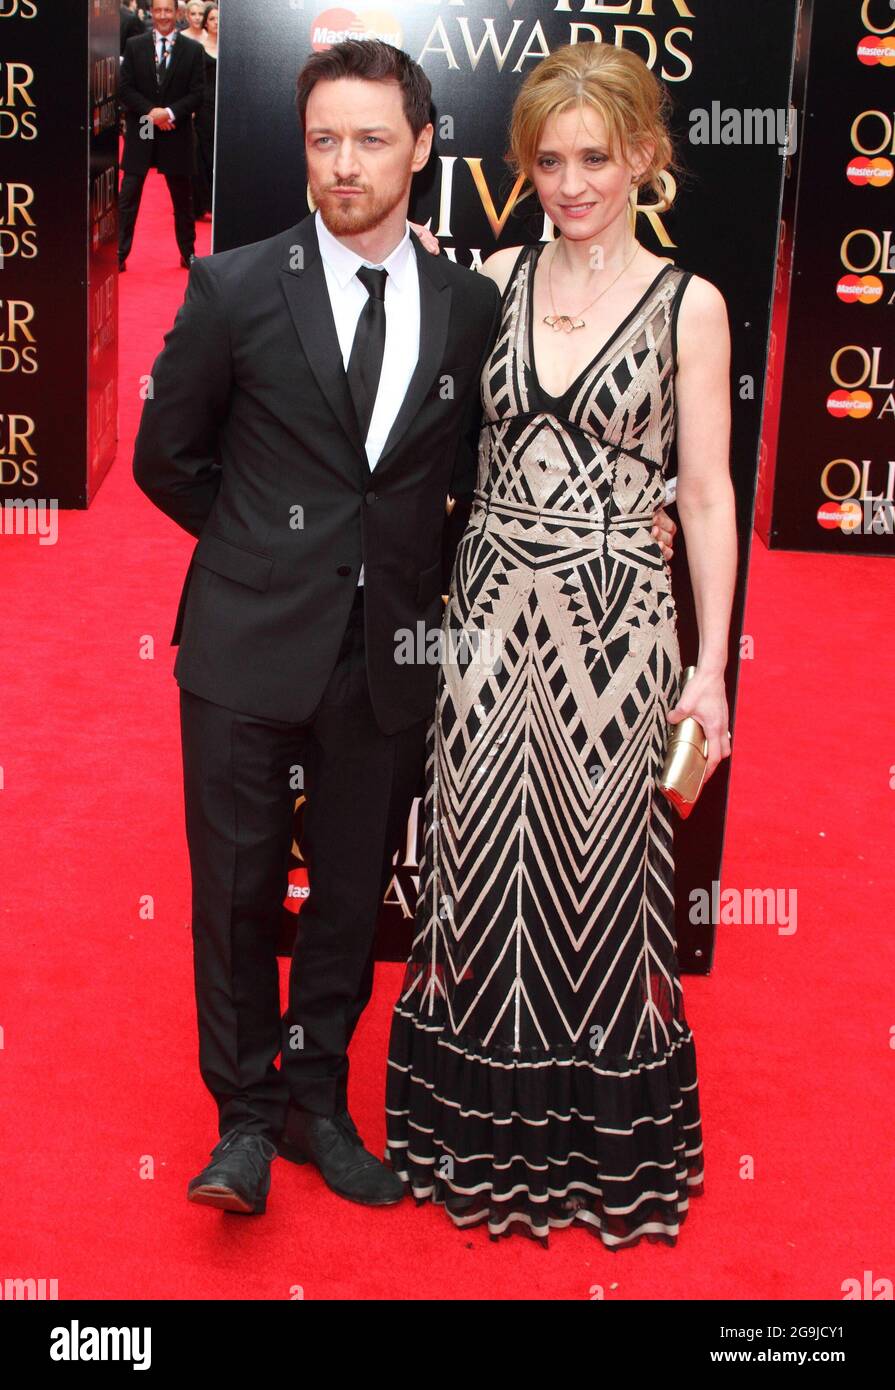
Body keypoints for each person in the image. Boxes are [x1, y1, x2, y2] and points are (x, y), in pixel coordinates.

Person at [132, 39, 677, 1219]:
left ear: (422, 148)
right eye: (323, 138)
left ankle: (318, 1102)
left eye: (371, 139)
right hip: (242, 645)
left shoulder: (469, 302)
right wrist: (261, 554)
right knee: (230, 892)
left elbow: (491, 466)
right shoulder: (232, 286)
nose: (342, 163)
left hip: (390, 659)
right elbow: (164, 458)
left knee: (342, 895)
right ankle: (240, 1119)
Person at [384, 40, 737, 1249]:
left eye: (596, 157)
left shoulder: (690, 305)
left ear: (644, 157)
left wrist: (709, 668)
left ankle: (594, 1161)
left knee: (598, 876)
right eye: (549, 161)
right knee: (479, 860)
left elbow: (703, 497)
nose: (572, 183)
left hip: (618, 625)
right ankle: (471, 1141)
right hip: (485, 617)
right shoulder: (492, 276)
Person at [118, 0, 204, 272]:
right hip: (142, 128)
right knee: (128, 195)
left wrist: (169, 113)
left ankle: (188, 253)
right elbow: (125, 88)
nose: (164, 16)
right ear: (152, 13)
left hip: (176, 132)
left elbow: (198, 94)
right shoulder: (134, 46)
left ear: (177, 13)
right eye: (159, 10)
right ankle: (119, 253)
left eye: (169, 10)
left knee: (182, 199)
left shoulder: (193, 50)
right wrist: (152, 113)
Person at [191, 4, 218, 220]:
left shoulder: (230, 46)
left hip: (226, 106)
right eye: (212, 19)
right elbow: (195, 81)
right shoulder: (199, 48)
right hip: (205, 106)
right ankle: (206, 202)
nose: (216, 22)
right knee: (205, 154)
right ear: (206, 23)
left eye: (219, 18)